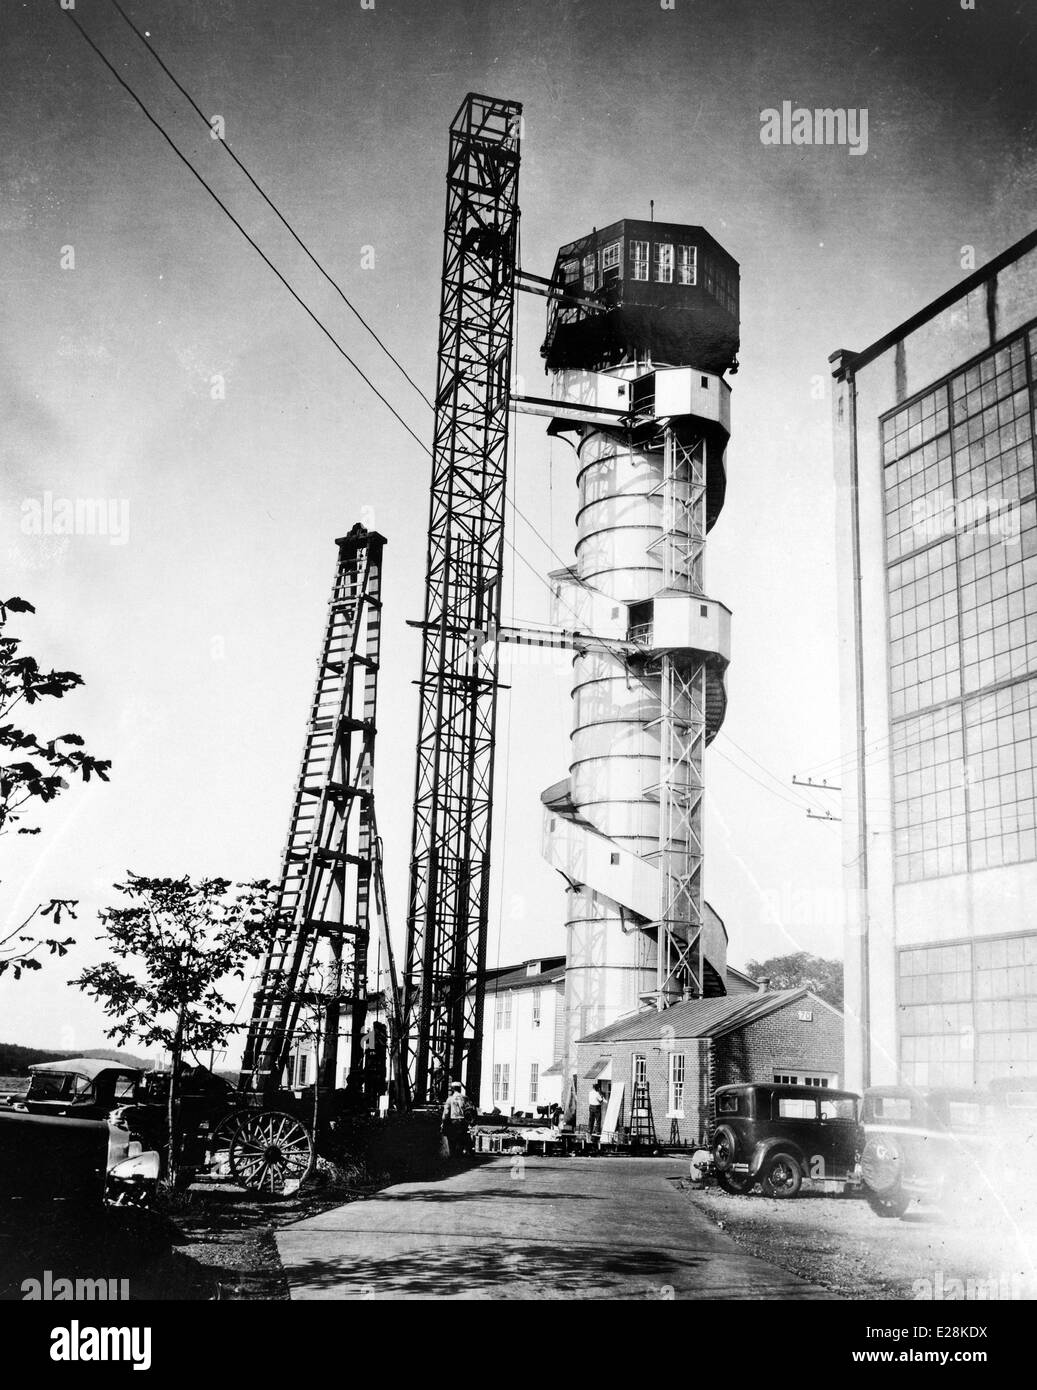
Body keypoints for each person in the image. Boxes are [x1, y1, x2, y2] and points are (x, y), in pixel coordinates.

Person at [441, 1081, 471, 1160]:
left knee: (452, 1140)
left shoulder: (450, 1099)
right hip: (463, 1122)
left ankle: (453, 1157)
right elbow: (469, 1111)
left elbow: (446, 1113)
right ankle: (460, 1155)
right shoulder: (465, 1098)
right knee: (461, 1139)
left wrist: (443, 1122)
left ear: (453, 1089)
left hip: (454, 1122)